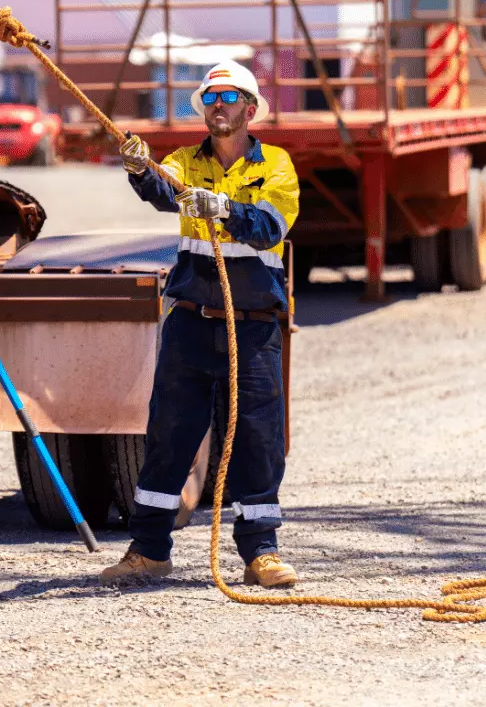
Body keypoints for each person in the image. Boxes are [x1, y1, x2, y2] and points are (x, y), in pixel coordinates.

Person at [100, 60, 300, 588]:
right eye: (211, 99)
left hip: (252, 326)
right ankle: (148, 550)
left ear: (250, 109)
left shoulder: (276, 165)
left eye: (229, 98)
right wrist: (141, 169)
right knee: (169, 435)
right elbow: (165, 191)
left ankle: (262, 553)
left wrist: (225, 209)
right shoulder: (185, 161)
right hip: (190, 321)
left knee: (257, 438)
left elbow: (268, 227)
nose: (218, 106)